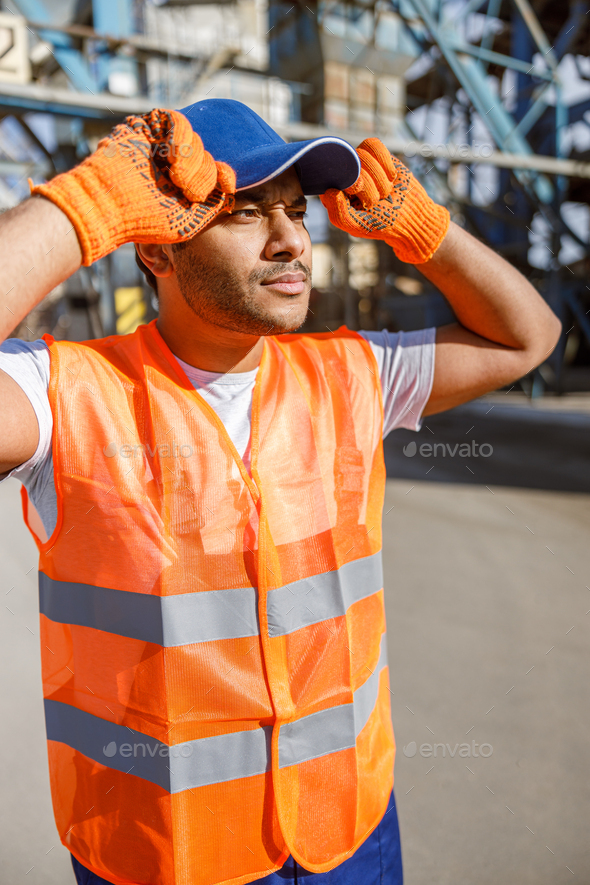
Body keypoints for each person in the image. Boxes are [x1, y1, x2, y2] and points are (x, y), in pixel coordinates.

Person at [0, 99, 560, 885]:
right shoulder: (64, 394)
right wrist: (84, 207)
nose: (292, 238)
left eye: (296, 211)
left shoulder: (352, 371)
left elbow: (527, 336)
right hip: (165, 855)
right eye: (245, 213)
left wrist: (422, 231)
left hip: (350, 834)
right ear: (157, 248)